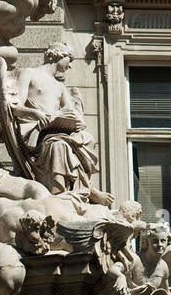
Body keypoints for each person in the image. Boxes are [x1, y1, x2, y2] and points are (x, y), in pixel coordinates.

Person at [7, 42, 112, 204]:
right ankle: (62, 192)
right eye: (69, 60)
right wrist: (35, 113)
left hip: (59, 132)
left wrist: (77, 123)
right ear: (57, 55)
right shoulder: (30, 73)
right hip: (37, 133)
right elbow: (15, 107)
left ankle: (84, 188)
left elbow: (71, 113)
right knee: (60, 146)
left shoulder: (60, 86)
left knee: (86, 138)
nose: (70, 66)